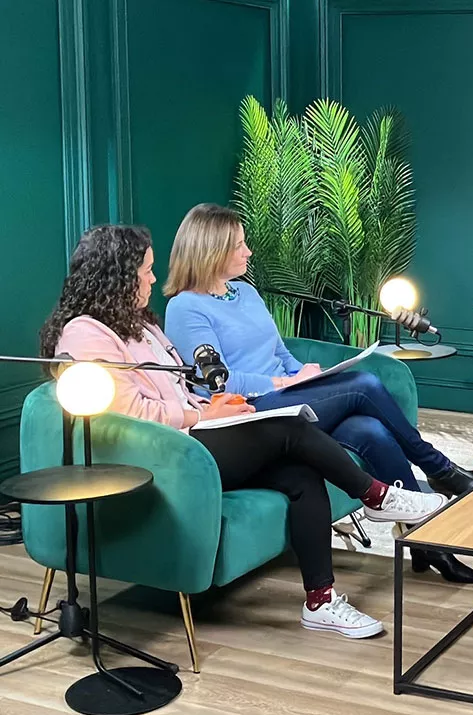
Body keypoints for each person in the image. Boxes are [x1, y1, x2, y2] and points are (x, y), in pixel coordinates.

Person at [40, 225, 452, 638]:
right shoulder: (85, 333)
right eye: (144, 270)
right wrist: (202, 416)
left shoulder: (140, 324)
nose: (152, 278)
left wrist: (212, 406)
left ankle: (320, 601)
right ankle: (377, 495)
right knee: (289, 425)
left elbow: (181, 385)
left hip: (195, 436)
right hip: (168, 455)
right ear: (115, 275)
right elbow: (130, 411)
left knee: (301, 474)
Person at [162, 203, 473, 584]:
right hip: (252, 413)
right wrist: (282, 384)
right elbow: (220, 381)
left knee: (369, 431)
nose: (248, 251)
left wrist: (304, 373)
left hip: (288, 395)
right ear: (210, 252)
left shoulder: (244, 292)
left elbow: (279, 353)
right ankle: (440, 469)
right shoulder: (185, 308)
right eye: (238, 246)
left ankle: (427, 543)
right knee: (365, 385)